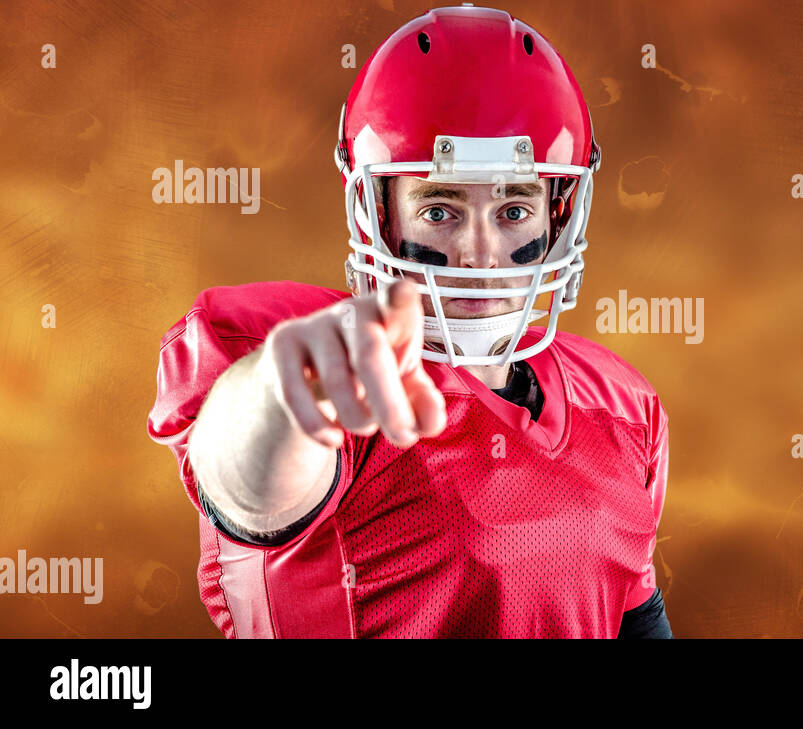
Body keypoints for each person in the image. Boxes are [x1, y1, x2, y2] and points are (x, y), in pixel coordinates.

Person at [146, 4, 671, 638]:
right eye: (439, 210)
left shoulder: (619, 405)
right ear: (379, 213)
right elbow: (246, 484)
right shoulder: (343, 376)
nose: (479, 252)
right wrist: (282, 395)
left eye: (513, 211)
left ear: (558, 215)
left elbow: (633, 614)